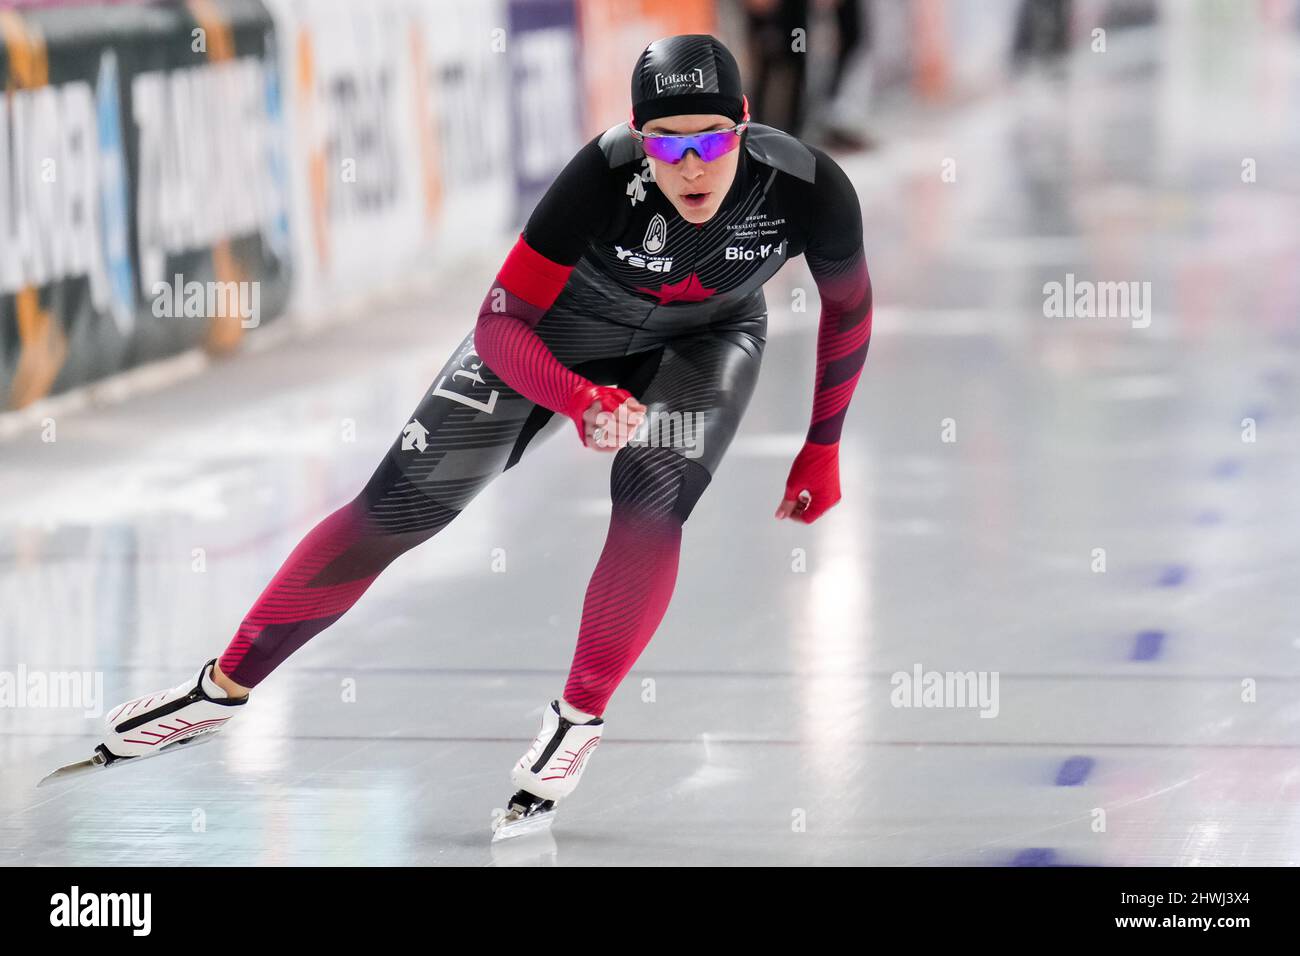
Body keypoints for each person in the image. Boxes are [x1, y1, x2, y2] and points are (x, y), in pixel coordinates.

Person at [91, 34, 874, 834]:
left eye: (710, 139)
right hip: (559, 339)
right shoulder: (601, 177)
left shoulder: (808, 186)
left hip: (709, 343)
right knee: (395, 510)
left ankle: (579, 718)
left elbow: (848, 307)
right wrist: (576, 398)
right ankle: (221, 688)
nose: (692, 165)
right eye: (666, 144)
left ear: (744, 126)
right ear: (641, 141)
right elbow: (499, 326)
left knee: (653, 491)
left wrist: (822, 445)